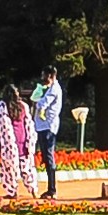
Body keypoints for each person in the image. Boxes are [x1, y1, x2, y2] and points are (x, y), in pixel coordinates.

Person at [30, 66, 65, 197]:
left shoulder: (54, 89)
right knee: (46, 157)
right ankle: (50, 188)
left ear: (51, 76)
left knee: (49, 157)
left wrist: (36, 99)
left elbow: (42, 104)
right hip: (42, 126)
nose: (42, 79)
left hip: (48, 127)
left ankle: (52, 189)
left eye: (44, 76)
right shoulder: (50, 88)